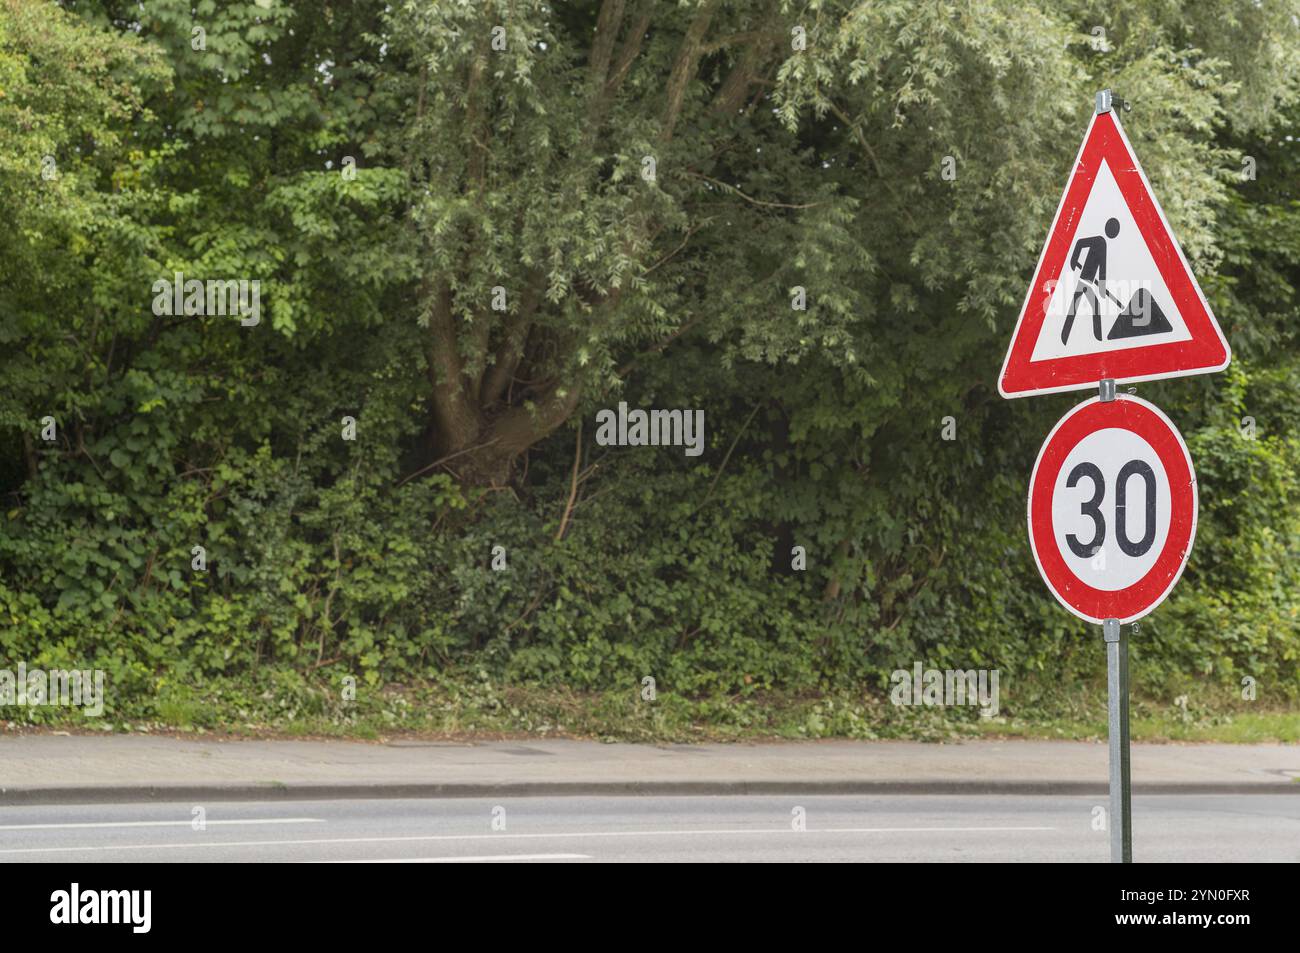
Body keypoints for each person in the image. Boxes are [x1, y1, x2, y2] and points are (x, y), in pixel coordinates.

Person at [1061, 217, 1120, 345]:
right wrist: (1073, 260)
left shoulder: (1101, 242)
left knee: (1078, 305)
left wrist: (1102, 286)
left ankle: (1066, 336)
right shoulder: (1100, 241)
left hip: (1088, 280)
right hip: (1085, 280)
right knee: (1082, 305)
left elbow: (1102, 267)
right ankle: (1096, 338)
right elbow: (1080, 243)